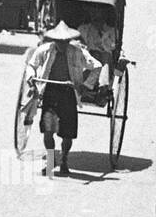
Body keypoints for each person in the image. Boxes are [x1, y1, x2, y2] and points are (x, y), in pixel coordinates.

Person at [22, 21, 105, 176]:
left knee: (67, 132)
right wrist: (31, 79)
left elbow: (97, 65)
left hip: (68, 94)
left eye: (65, 42)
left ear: (69, 41)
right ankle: (51, 159)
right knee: (48, 130)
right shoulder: (45, 50)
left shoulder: (77, 52)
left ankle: (64, 159)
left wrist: (85, 85)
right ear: (54, 41)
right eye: (59, 41)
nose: (62, 45)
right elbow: (31, 65)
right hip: (50, 92)